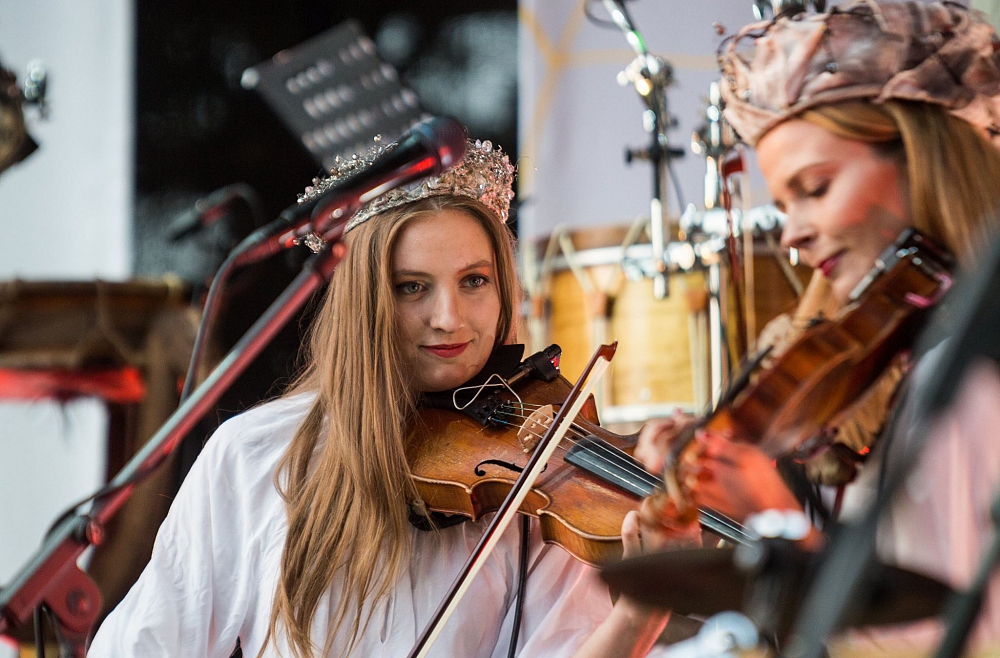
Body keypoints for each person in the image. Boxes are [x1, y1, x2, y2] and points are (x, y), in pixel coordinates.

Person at [88, 137, 681, 658]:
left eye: (474, 281)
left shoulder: (544, 476)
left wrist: (637, 615)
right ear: (365, 303)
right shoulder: (254, 454)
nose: (449, 318)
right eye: (412, 288)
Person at [635, 0, 1000, 650]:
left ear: (923, 157)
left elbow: (941, 636)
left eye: (815, 186)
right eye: (781, 204)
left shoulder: (967, 372)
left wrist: (774, 518)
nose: (794, 233)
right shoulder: (930, 358)